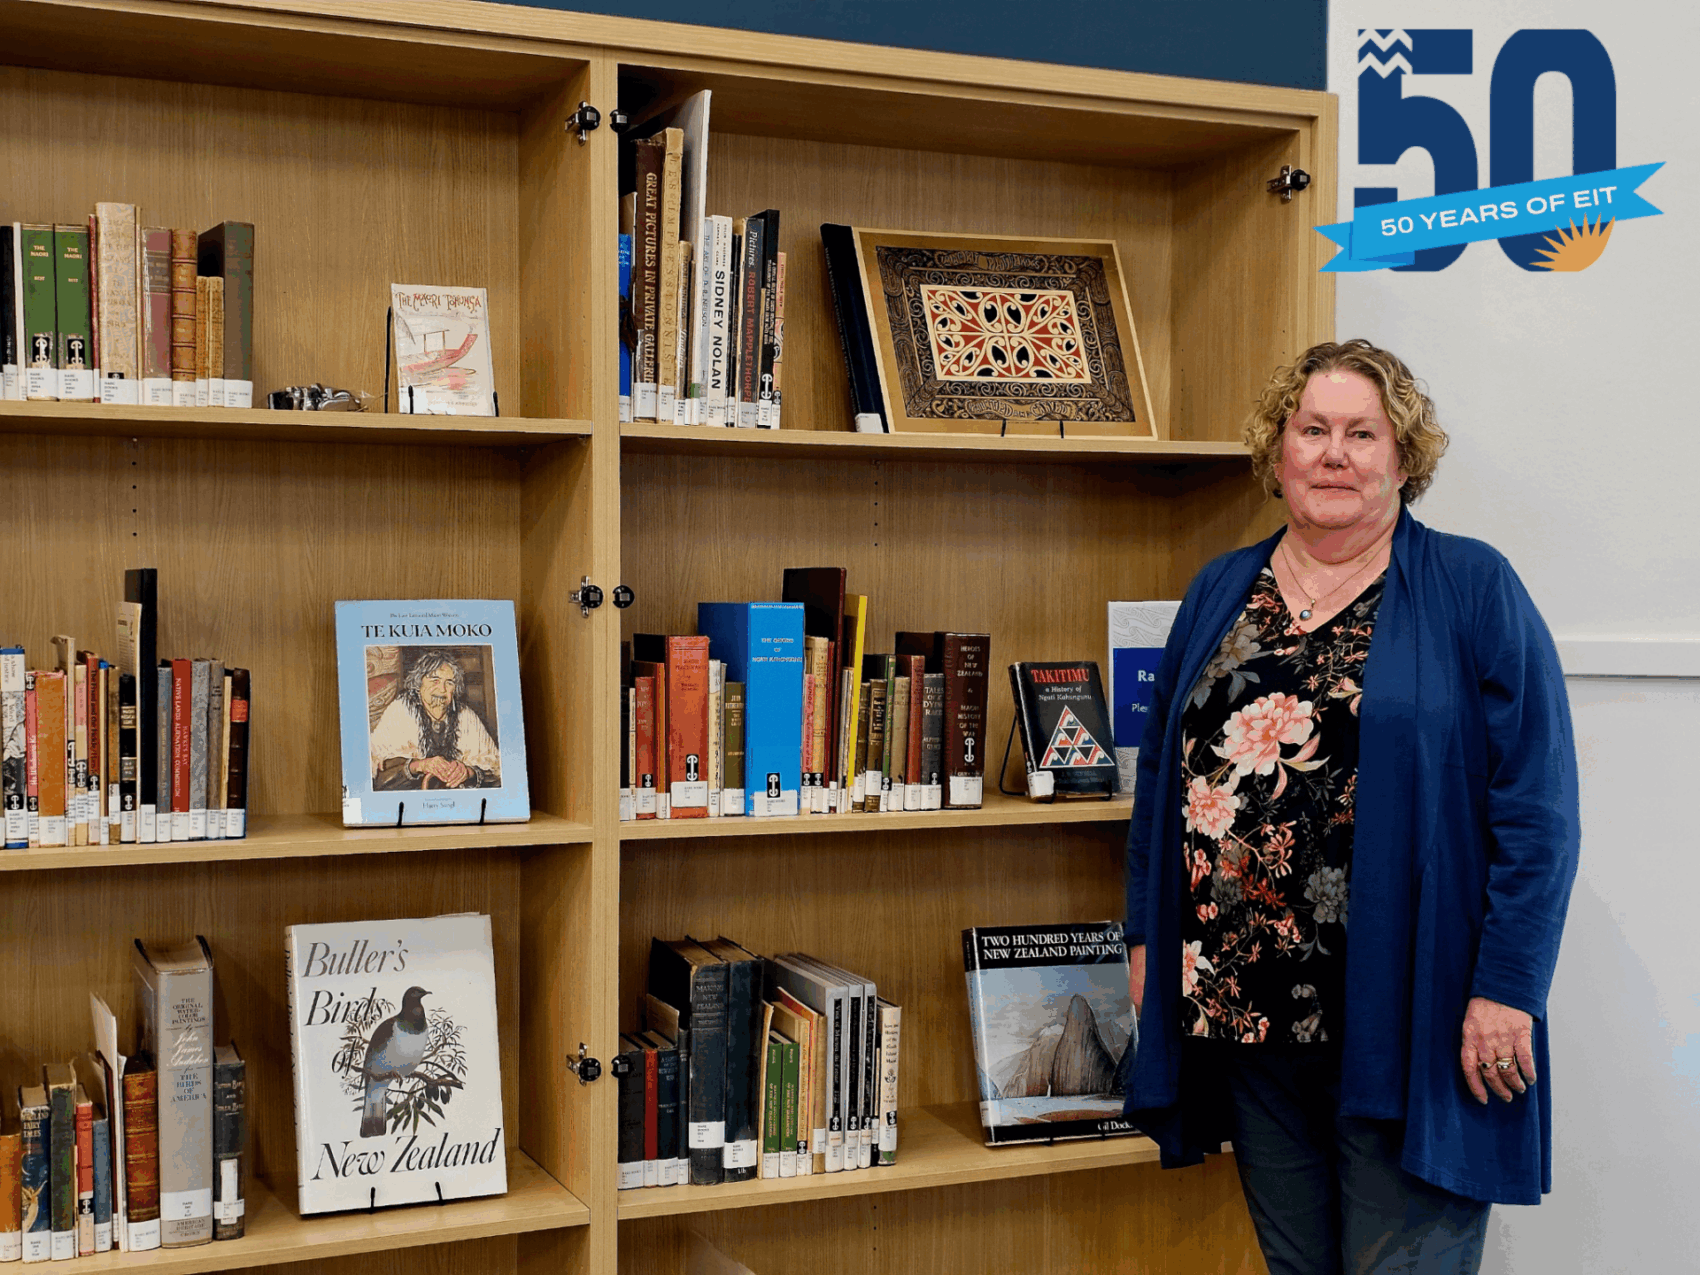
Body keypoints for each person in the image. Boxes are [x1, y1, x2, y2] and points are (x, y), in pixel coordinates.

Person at [1121, 339, 1579, 1274]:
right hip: (1247, 1016)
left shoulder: (1471, 585)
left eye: (1363, 434)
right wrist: (1146, 942)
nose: (1335, 454)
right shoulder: (1220, 586)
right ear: (1278, 450)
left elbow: (1538, 810)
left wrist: (1508, 987)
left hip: (1410, 1017)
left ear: (1403, 458)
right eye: (1313, 429)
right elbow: (1163, 781)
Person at [369, 649, 501, 789]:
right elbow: (378, 766)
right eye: (435, 680)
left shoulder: (466, 715)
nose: (442, 689)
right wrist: (420, 765)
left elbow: (495, 766)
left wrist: (468, 772)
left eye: (449, 682)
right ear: (419, 682)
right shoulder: (400, 710)